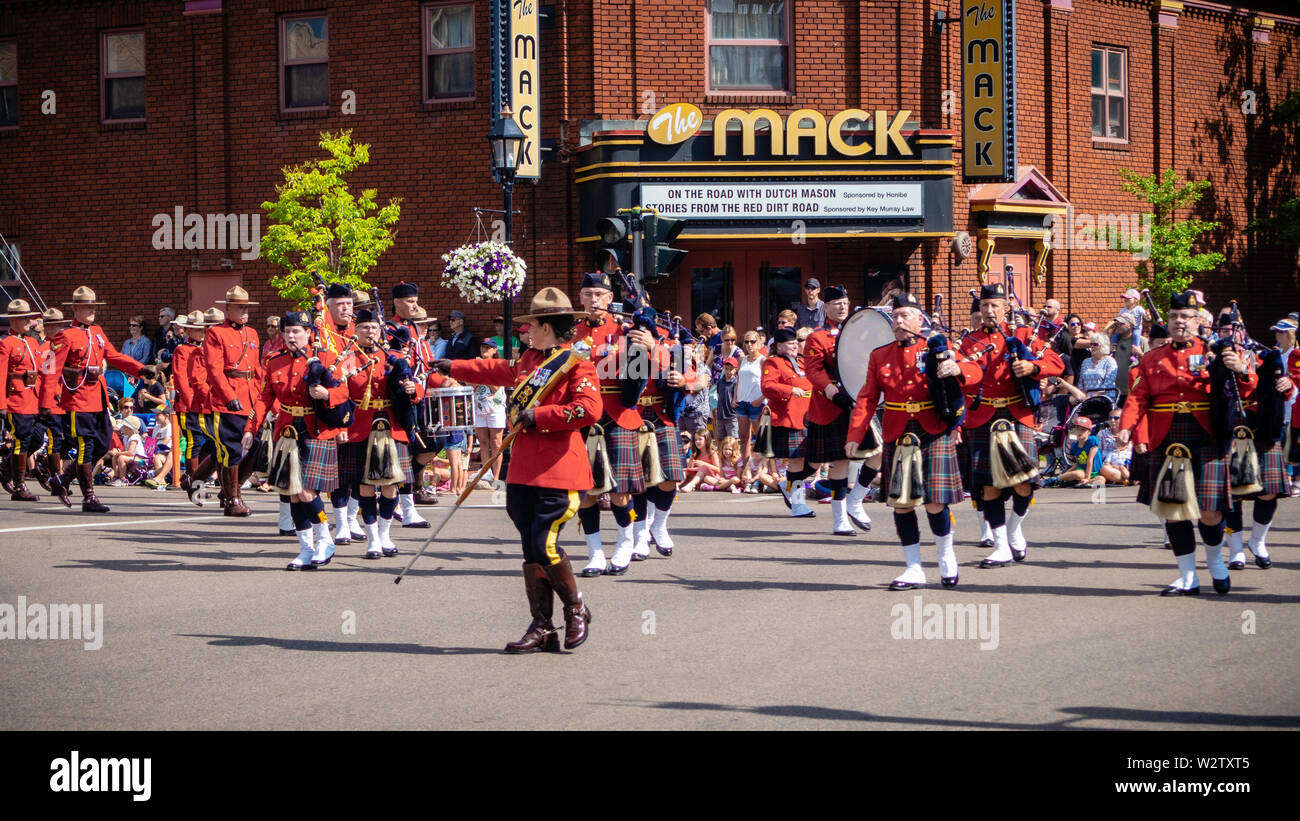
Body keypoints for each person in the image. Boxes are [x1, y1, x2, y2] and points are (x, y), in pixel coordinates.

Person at [437, 286, 600, 653]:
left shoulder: (578, 364)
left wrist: (539, 415)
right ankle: (542, 625)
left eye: (532, 325)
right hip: (523, 469)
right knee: (531, 547)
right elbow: (497, 370)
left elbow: (588, 409)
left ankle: (576, 608)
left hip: (559, 470)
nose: (525, 331)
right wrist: (455, 367)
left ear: (547, 326)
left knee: (546, 543)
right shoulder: (528, 361)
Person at [1118, 289, 1256, 596]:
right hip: (1167, 437)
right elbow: (1138, 397)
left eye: (1186, 316)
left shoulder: (1215, 352)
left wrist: (1239, 369)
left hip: (1207, 434)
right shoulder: (1153, 359)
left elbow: (1245, 389)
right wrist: (1127, 427)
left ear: (1197, 320)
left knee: (1211, 511)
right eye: (1174, 316)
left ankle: (1215, 562)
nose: (1179, 321)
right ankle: (1187, 576)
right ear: (1168, 320)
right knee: (1173, 508)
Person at [847, 292, 982, 589]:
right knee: (902, 504)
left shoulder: (935, 348)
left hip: (932, 430)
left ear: (920, 320)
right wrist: (855, 434)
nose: (898, 321)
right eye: (895, 317)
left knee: (935, 503)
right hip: (898, 432)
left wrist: (957, 369)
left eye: (905, 315)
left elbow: (974, 372)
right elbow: (868, 397)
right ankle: (913, 567)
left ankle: (946, 556)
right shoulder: (879, 355)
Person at [960, 282, 1064, 568]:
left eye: (994, 306)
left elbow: (1056, 363)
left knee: (1024, 483)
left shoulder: (1024, 335)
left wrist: (1033, 367)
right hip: (983, 418)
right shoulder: (970, 342)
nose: (989, 311)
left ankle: (1014, 528)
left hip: (1016, 416)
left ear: (1005, 308)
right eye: (984, 306)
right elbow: (965, 371)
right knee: (989, 487)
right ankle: (1001, 545)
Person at [243, 310, 351, 570]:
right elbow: (264, 398)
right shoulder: (274, 361)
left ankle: (325, 536)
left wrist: (327, 394)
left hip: (316, 429)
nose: (292, 336)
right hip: (287, 429)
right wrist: (251, 428)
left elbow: (344, 392)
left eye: (297, 332)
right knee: (292, 493)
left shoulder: (325, 357)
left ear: (308, 334)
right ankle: (306, 549)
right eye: (287, 331)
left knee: (305, 491)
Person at [38, 287, 143, 512]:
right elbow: (51, 370)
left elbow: (114, 356)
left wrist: (141, 370)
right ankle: (89, 496)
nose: (92, 310)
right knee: (86, 446)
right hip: (78, 398)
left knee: (103, 444)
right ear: (76, 309)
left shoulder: (97, 331)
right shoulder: (65, 335)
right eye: (88, 306)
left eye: (94, 306)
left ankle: (63, 479)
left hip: (98, 398)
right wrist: (46, 402)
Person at [341, 308, 422, 559]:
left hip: (390, 426)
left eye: (374, 327)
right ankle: (373, 538)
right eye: (365, 327)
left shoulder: (394, 358)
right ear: (356, 331)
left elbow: (415, 388)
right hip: (360, 428)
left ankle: (385, 534)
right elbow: (341, 397)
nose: (370, 331)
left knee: (390, 487)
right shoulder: (347, 360)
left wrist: (412, 388)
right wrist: (341, 427)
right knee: (365, 486)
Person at [802, 284, 869, 536]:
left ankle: (856, 499)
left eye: (845, 302)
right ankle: (839, 518)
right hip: (832, 404)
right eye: (836, 303)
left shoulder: (860, 332)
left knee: (878, 452)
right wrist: (832, 392)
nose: (842, 307)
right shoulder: (817, 336)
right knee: (838, 461)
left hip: (860, 401)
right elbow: (813, 370)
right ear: (826, 307)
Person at [204, 287, 262, 517]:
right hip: (227, 398)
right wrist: (229, 397)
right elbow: (214, 370)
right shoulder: (216, 333)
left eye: (247, 307)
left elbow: (257, 370)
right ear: (227, 308)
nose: (244, 311)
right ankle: (232, 500)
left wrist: (261, 400)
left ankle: (234, 489)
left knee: (257, 446)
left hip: (250, 397)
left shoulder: (253, 334)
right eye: (240, 307)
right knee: (232, 451)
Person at [761, 326, 815, 517]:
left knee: (817, 459)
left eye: (796, 342)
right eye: (790, 343)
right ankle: (799, 504)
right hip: (789, 417)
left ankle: (787, 484)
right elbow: (767, 387)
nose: (794, 346)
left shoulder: (802, 361)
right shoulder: (773, 363)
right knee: (796, 461)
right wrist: (789, 390)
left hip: (810, 416)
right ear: (779, 346)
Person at [1, 298, 44, 501]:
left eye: (29, 317)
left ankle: (5, 467)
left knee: (36, 438)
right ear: (13, 321)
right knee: (22, 440)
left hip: (33, 398)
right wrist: (2, 404)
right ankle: (20, 486)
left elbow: (42, 371)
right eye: (24, 318)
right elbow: (1, 375)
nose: (29, 321)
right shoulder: (6, 343)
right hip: (16, 398)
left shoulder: (33, 342)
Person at [472, 338, 507, 483]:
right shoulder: (476, 365)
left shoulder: (499, 365)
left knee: (496, 443)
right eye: (483, 347)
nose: (484, 350)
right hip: (479, 406)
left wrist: (483, 372)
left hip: (496, 407)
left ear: (494, 350)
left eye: (488, 347)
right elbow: (471, 384)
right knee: (483, 443)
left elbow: (496, 387)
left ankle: (497, 476)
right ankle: (486, 473)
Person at [1058, 417, 1103, 487]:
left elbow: (1090, 460)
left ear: (1089, 432)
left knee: (1101, 479)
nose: (1079, 432)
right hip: (1082, 471)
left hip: (1094, 472)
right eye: (1077, 429)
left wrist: (1087, 478)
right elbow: (1077, 463)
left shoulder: (1093, 440)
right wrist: (1066, 474)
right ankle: (1056, 479)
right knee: (1078, 474)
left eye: (1083, 430)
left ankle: (1085, 482)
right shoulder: (1074, 445)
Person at [1076, 332, 1119, 400]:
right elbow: (1081, 384)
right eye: (1091, 344)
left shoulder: (1110, 361)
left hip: (1104, 399)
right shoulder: (1085, 362)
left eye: (1095, 344)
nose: (1092, 346)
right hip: (1086, 400)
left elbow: (1107, 385)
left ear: (1103, 346)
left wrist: (1093, 398)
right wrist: (1083, 398)